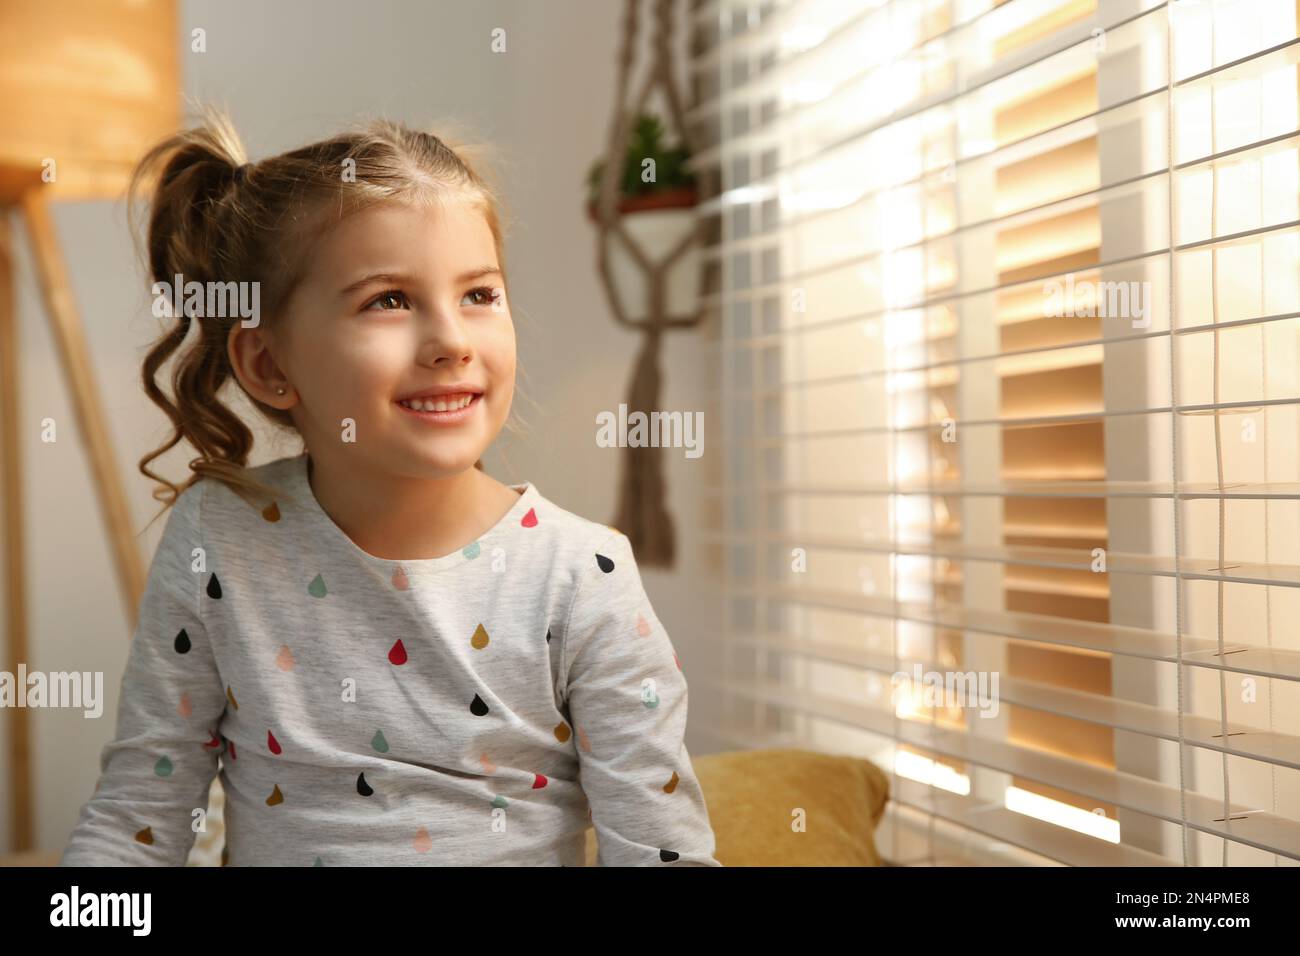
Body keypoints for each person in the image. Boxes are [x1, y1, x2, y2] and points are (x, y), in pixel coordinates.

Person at [59, 107, 720, 867]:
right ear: (269, 366)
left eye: (479, 295)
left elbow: (662, 853)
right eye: (389, 301)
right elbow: (136, 820)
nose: (451, 342)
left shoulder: (585, 577)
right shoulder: (220, 538)